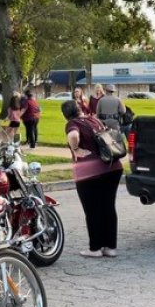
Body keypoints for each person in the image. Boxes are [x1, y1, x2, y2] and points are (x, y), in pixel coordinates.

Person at [62, 100, 122, 258]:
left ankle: (95, 248)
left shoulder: (72, 123)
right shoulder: (94, 119)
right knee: (108, 207)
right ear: (79, 109)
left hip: (89, 171)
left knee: (92, 209)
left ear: (65, 115)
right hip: (112, 167)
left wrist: (75, 149)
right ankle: (110, 248)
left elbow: (73, 135)